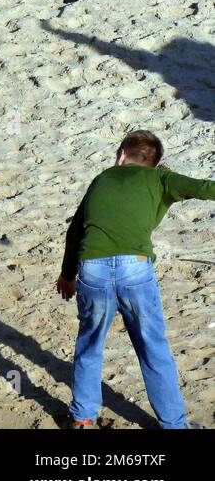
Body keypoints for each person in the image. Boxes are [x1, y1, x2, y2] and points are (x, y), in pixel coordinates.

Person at [56, 130, 214, 429]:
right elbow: (206, 188)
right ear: (155, 163)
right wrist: (166, 176)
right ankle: (174, 425)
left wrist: (67, 275)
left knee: (89, 345)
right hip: (134, 270)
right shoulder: (160, 179)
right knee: (153, 348)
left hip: (92, 268)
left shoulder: (102, 178)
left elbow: (75, 230)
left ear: (121, 156)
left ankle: (82, 419)